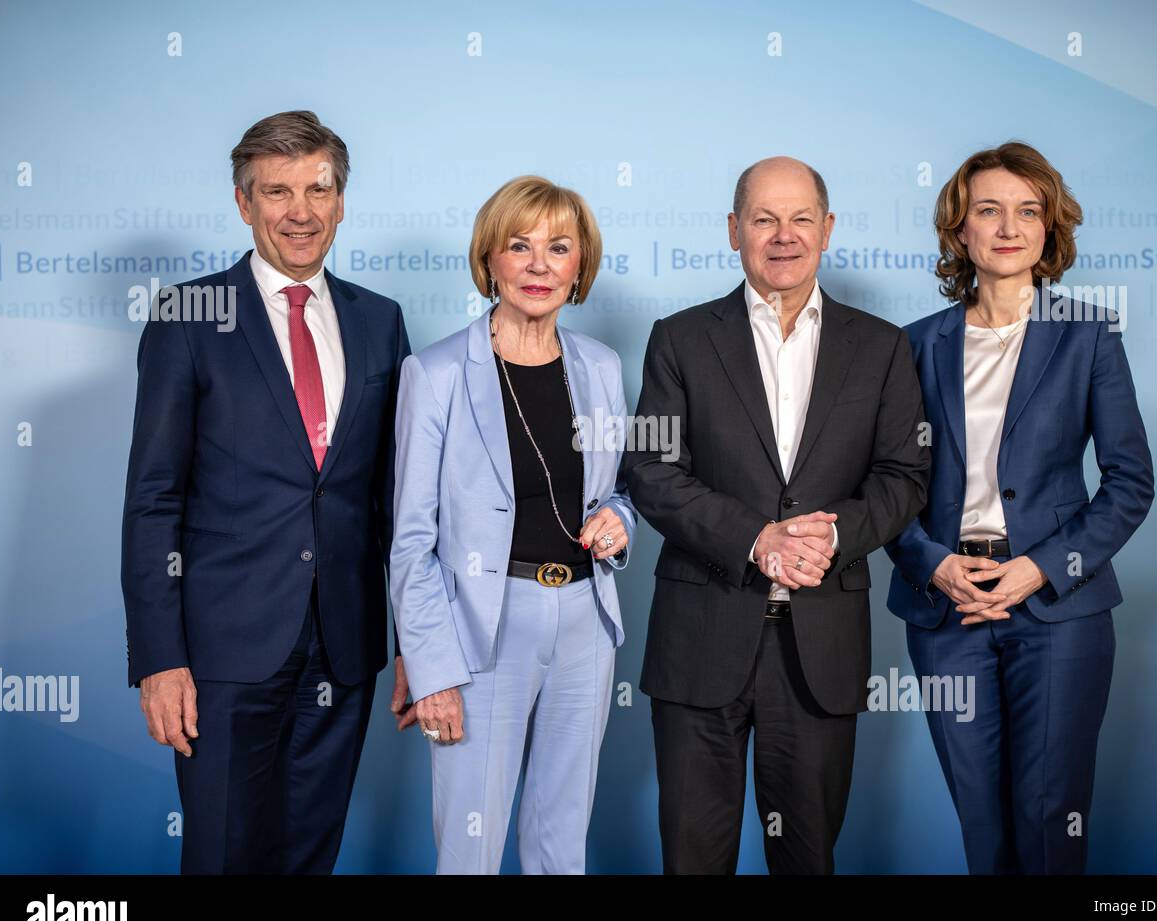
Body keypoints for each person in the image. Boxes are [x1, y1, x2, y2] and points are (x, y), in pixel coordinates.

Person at [621, 156, 929, 874]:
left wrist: (832, 536)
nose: (782, 236)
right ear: (734, 230)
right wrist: (757, 539)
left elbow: (904, 475)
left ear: (826, 230)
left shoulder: (881, 347)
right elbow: (651, 470)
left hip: (820, 647)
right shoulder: (681, 338)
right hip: (701, 641)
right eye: (763, 218)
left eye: (799, 219)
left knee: (807, 858)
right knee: (694, 860)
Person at [121, 110, 410, 873]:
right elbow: (153, 498)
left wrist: (419, 642)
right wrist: (158, 658)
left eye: (318, 189)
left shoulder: (380, 322)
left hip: (343, 645)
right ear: (245, 204)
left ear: (342, 200)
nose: (301, 211)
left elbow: (395, 503)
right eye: (277, 192)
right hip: (222, 652)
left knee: (309, 857)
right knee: (221, 856)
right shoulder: (189, 316)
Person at [884, 141, 1154, 874]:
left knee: (1050, 826)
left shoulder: (1089, 333)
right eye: (989, 210)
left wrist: (1040, 568)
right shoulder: (911, 347)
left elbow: (1130, 482)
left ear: (1049, 228)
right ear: (960, 230)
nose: (1009, 227)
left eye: (1027, 210)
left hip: (1058, 612)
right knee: (983, 831)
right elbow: (884, 488)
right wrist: (934, 565)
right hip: (948, 616)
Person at [389, 175, 635, 874]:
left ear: (579, 266)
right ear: (489, 259)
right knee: (470, 848)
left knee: (562, 842)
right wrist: (432, 668)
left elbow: (617, 491)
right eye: (518, 245)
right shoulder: (433, 373)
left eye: (559, 247)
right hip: (481, 631)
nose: (538, 264)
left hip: (587, 618)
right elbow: (410, 537)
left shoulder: (602, 367)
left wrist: (619, 519)